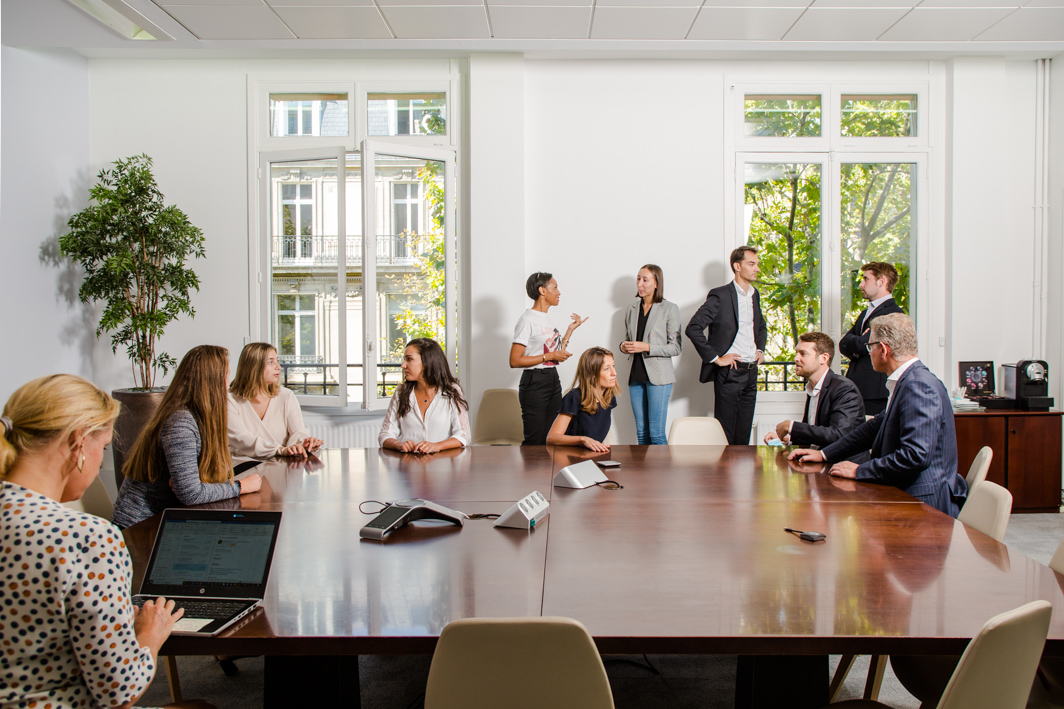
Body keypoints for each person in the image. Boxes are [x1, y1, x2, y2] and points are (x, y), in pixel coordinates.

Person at [0, 374, 212, 709]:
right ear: (79, 443)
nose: (100, 462)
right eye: (102, 448)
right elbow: (119, 691)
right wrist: (149, 634)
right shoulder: (87, 538)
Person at [789, 313, 967, 517]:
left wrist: (859, 470)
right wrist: (824, 454)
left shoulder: (918, 386)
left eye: (869, 346)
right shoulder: (906, 382)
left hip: (921, 504)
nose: (869, 352)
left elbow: (915, 456)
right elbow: (872, 429)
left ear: (883, 349)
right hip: (906, 493)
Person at [112, 345, 262, 529]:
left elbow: (190, 489)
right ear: (212, 381)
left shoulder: (196, 418)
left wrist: (196, 487)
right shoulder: (181, 423)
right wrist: (241, 486)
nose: (228, 384)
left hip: (166, 520)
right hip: (140, 528)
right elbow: (191, 494)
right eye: (226, 375)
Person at [685, 245, 767, 445]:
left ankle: (741, 476)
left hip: (751, 372)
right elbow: (693, 328)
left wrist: (760, 350)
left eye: (757, 264)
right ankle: (725, 476)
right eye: (751, 264)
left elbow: (761, 327)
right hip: (730, 372)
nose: (757, 268)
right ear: (737, 266)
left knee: (744, 434)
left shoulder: (754, 295)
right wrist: (716, 358)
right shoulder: (720, 295)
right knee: (725, 434)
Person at [510, 272, 588, 445]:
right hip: (534, 382)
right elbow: (515, 360)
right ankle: (531, 472)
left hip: (552, 378)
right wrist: (550, 355)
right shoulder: (527, 320)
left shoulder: (545, 320)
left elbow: (556, 355)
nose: (559, 292)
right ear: (542, 291)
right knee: (535, 440)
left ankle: (548, 473)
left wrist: (569, 331)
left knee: (552, 438)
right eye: (555, 287)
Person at [763, 331, 865, 448]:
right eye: (797, 353)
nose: (796, 358)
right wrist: (788, 439)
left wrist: (792, 426)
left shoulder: (844, 389)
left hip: (843, 463)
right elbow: (814, 434)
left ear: (824, 358)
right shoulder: (813, 387)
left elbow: (839, 435)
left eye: (803, 354)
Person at [619, 264, 682, 445]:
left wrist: (646, 347)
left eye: (645, 280)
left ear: (656, 283)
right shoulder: (631, 309)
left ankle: (661, 473)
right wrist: (623, 346)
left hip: (659, 378)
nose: (640, 283)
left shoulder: (669, 308)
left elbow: (675, 347)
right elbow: (627, 340)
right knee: (641, 434)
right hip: (635, 376)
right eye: (638, 279)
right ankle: (644, 473)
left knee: (656, 434)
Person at [228, 342, 323, 460]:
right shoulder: (230, 400)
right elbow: (241, 438)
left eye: (277, 361)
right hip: (243, 468)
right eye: (270, 362)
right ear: (253, 367)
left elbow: (297, 432)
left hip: (279, 466)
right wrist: (278, 449)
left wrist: (305, 443)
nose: (278, 367)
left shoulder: (286, 396)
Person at [379, 338, 472, 454]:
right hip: (408, 467)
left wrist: (437, 446)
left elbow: (464, 435)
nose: (403, 365)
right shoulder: (400, 392)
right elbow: (385, 434)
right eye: (404, 360)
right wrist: (398, 444)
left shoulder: (451, 392)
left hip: (443, 466)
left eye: (409, 359)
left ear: (427, 361)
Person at [839, 262, 905, 415]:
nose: (861, 284)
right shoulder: (865, 313)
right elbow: (843, 344)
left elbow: (864, 344)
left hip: (875, 392)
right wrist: (858, 343)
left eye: (866, 279)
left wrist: (857, 343)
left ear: (881, 282)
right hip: (859, 387)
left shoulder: (892, 313)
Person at [546, 347, 619, 453]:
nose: (614, 373)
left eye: (613, 366)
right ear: (592, 374)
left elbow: (596, 431)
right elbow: (552, 438)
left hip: (591, 456)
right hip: (570, 456)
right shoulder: (574, 397)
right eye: (607, 369)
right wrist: (583, 439)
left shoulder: (609, 397)